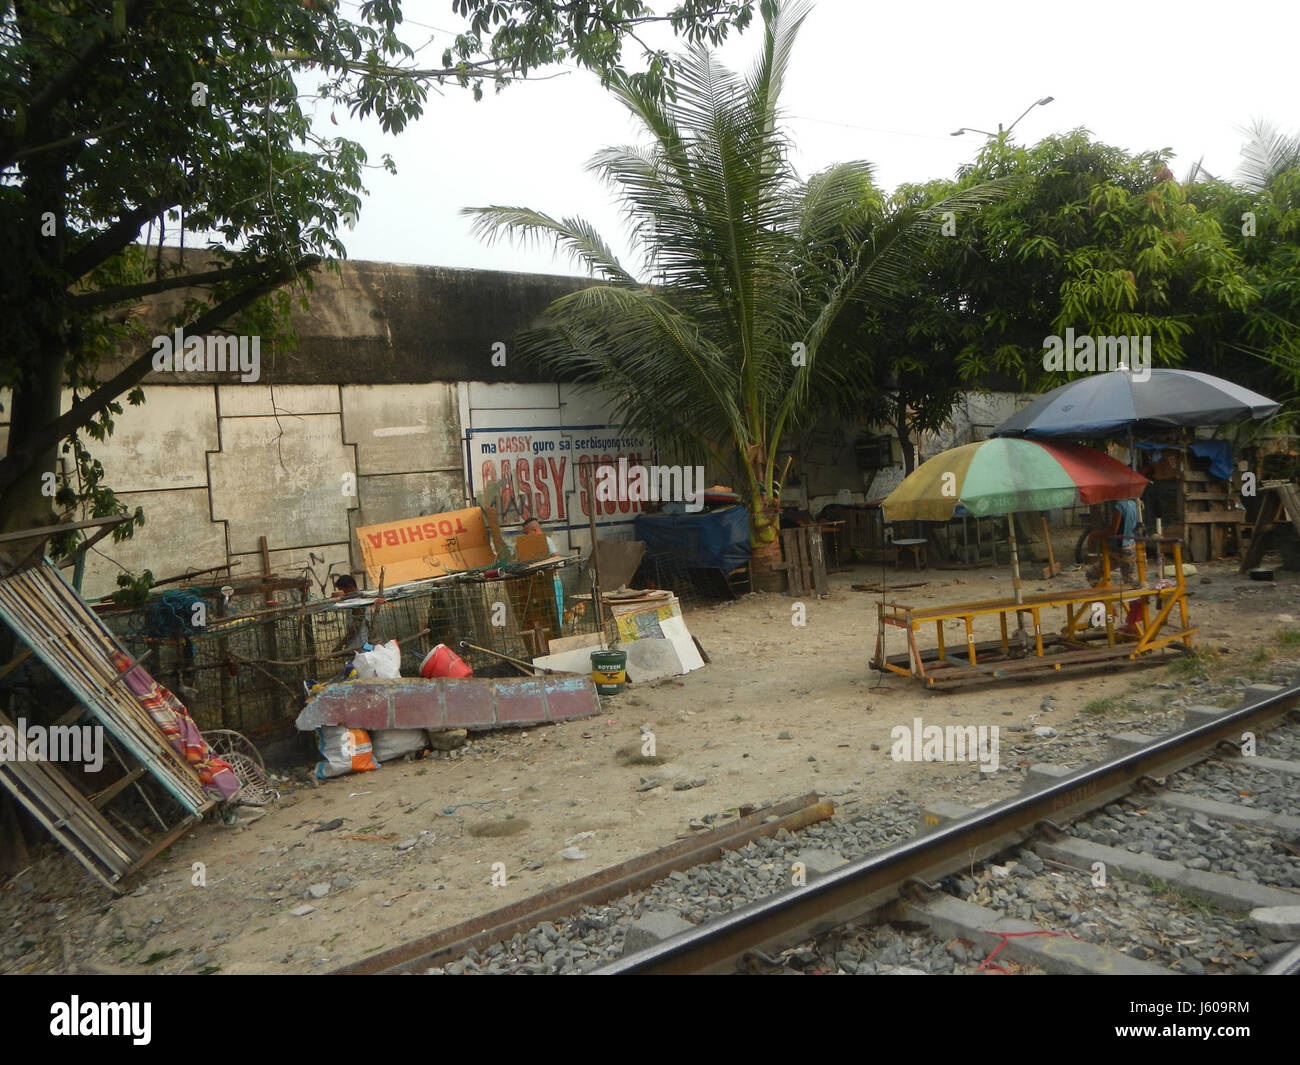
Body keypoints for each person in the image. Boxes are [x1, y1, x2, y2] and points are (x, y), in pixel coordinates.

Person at [1085, 498, 1140, 586]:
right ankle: (1134, 597)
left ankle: (1102, 597)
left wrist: (1093, 535)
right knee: (1129, 580)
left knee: (1091, 574)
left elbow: (1113, 531)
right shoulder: (1133, 504)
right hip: (1131, 548)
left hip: (1120, 551)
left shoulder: (1119, 506)